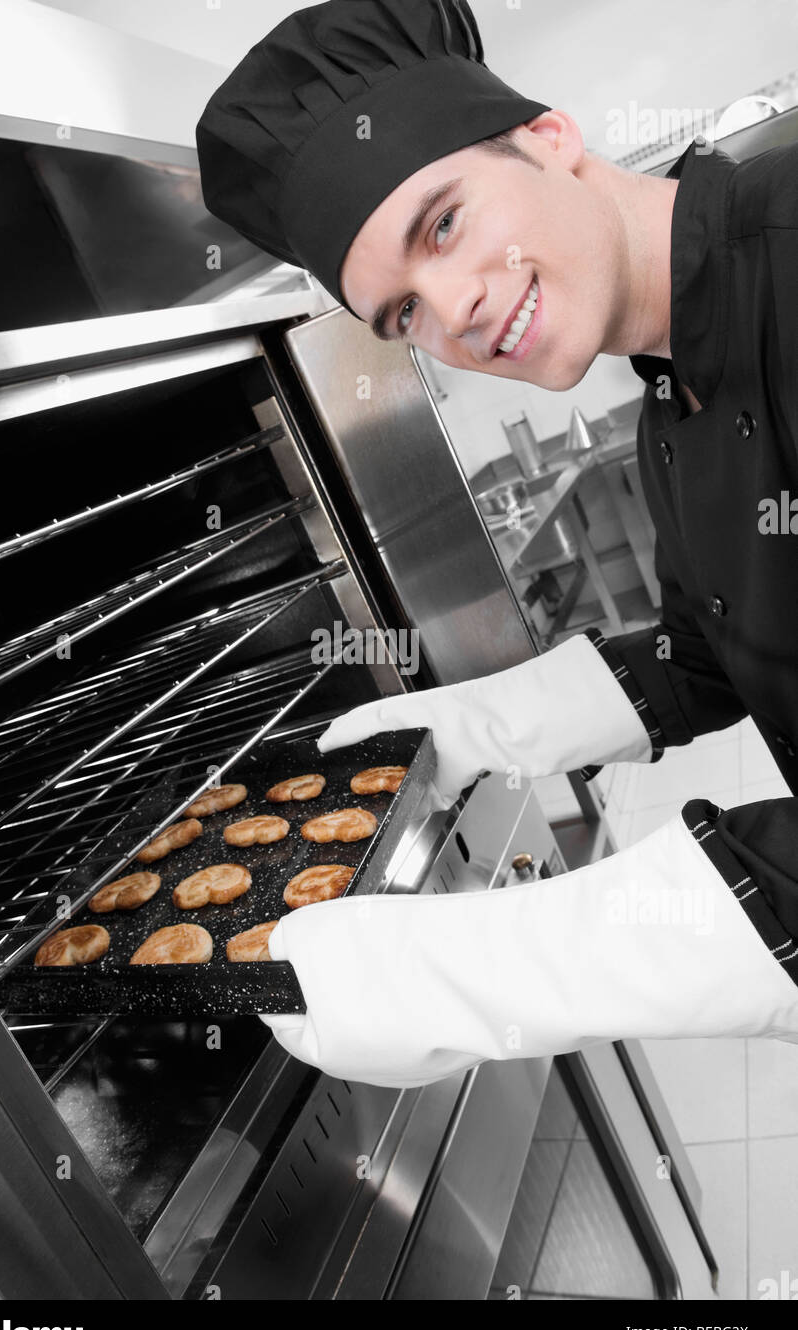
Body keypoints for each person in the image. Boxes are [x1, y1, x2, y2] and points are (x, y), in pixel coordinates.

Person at [195, 0, 798, 1086]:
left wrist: (503, 966)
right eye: (402, 316)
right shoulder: (669, 392)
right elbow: (716, 649)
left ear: (546, 139)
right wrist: (473, 727)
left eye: (441, 224)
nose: (455, 309)